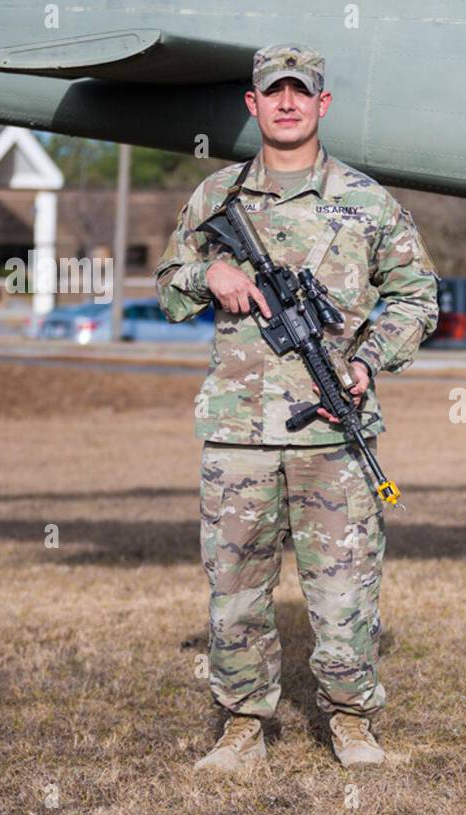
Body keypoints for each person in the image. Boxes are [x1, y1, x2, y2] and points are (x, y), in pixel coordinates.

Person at [153, 43, 439, 771]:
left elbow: (417, 298)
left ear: (322, 105)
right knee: (237, 598)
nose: (286, 103)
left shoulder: (368, 202)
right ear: (252, 105)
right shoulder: (216, 198)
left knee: (345, 596)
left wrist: (370, 361)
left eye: (300, 92)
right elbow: (166, 287)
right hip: (239, 437)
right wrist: (208, 270)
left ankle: (351, 722)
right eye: (272, 92)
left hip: (334, 439)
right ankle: (243, 731)